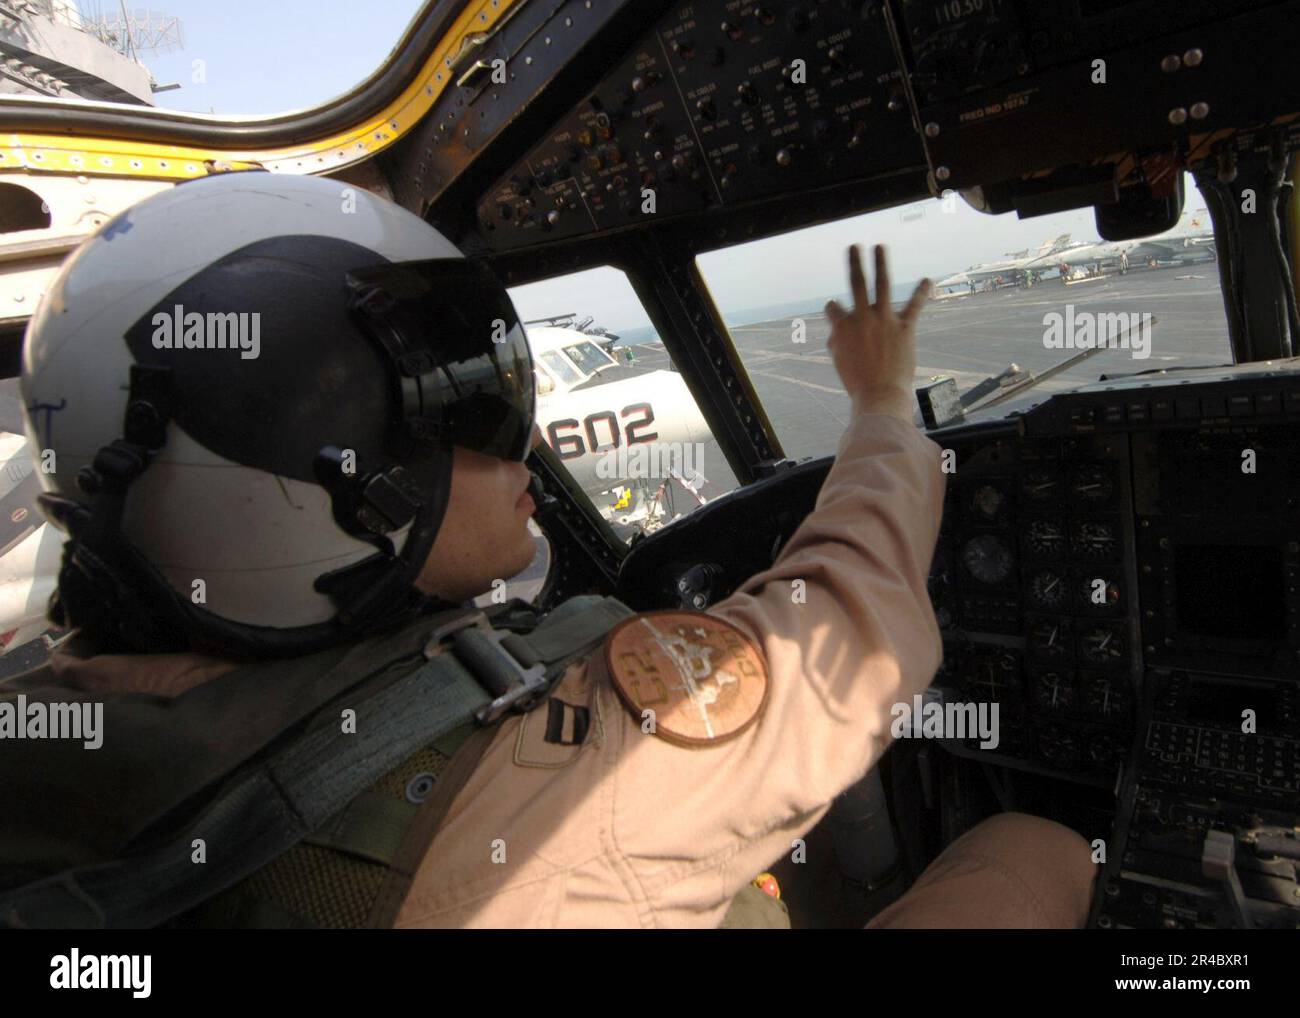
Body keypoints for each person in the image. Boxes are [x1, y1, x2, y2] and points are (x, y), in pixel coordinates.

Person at [0, 173, 1096, 929]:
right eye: (464, 410)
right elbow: (855, 633)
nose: (515, 435)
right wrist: (879, 402)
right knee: (1041, 848)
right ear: (331, 477)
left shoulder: (46, 714)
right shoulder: (559, 773)